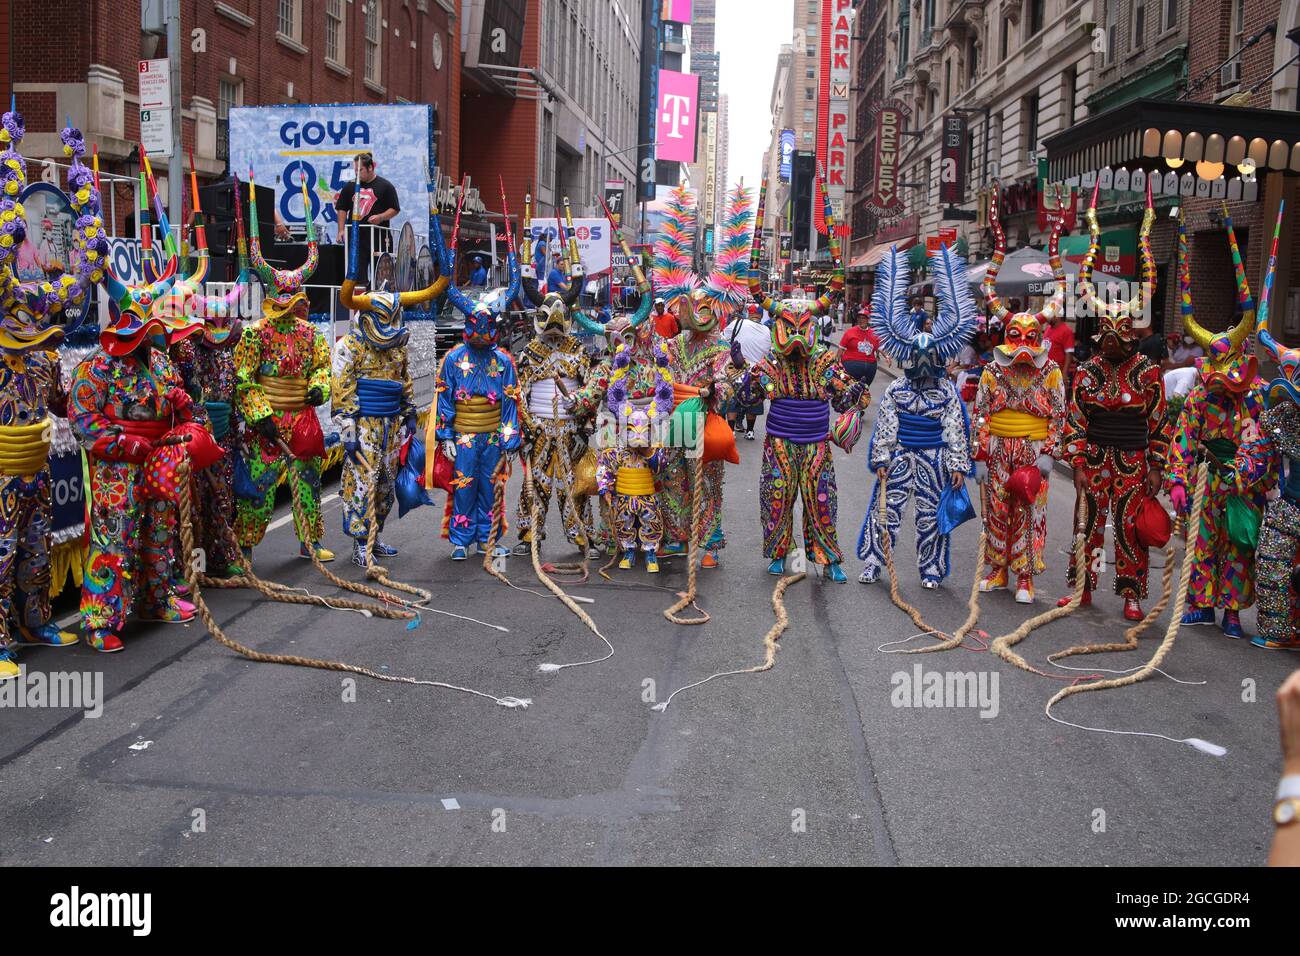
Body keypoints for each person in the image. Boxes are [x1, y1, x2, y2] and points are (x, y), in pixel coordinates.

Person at [72, 157, 199, 653]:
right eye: (142, 331)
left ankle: (157, 596)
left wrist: (183, 413)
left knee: (160, 528)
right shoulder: (97, 369)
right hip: (116, 466)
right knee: (115, 537)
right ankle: (102, 618)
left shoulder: (162, 364)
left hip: (157, 459)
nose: (150, 339)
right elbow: (84, 419)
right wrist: (121, 443)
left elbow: (174, 407)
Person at [0, 115, 104, 675]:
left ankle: (36, 618)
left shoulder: (40, 354)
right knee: (1, 551)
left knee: (36, 549)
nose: (35, 324)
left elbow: (62, 403)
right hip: (2, 470)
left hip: (37, 466)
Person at [740, 175, 868, 583]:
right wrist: (727, 384)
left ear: (813, 327)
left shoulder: (824, 363)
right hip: (779, 442)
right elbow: (744, 392)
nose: (796, 334)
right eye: (787, 326)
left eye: (803, 326)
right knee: (777, 498)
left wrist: (856, 395)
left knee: (821, 499)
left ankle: (827, 558)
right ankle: (780, 553)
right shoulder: (771, 366)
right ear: (778, 327)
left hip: (815, 443)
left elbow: (846, 394)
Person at [1057, 181, 1165, 621]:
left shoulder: (1148, 372)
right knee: (1085, 525)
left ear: (1133, 331)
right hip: (1097, 455)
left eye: (1123, 329)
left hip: (1134, 459)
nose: (1114, 337)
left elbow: (1159, 423)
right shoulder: (1087, 371)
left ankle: (1131, 595)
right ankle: (1082, 587)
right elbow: (1075, 420)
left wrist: (1158, 466)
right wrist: (1078, 462)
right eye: (1107, 329)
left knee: (1129, 529)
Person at [1165, 211, 1273, 640]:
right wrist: (1177, 478)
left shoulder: (1259, 396)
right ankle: (1202, 604)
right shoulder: (1199, 397)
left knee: (1238, 546)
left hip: (1243, 481)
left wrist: (1260, 476)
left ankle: (1232, 611)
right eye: (1215, 362)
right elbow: (1185, 437)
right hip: (1207, 478)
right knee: (1203, 541)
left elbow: (1269, 439)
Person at [334, 208, 448, 568]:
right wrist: (348, 428)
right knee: (361, 482)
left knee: (385, 485)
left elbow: (403, 379)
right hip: (364, 422)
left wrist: (409, 411)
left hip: (390, 425)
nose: (390, 326)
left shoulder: (397, 345)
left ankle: (376, 536)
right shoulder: (349, 346)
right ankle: (358, 543)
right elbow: (342, 387)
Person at [970, 190, 1068, 604]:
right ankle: (997, 571)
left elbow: (1060, 414)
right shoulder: (993, 369)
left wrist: (1049, 452)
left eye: (1031, 337)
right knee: (996, 509)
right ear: (1006, 337)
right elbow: (981, 411)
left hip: (1031, 449)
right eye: (1016, 336)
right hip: (998, 448)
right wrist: (980, 450)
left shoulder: (1050, 371)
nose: (1024, 344)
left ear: (1040, 337)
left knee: (1030, 512)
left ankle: (1026, 576)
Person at [858, 245, 973, 588]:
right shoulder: (897, 390)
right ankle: (874, 562)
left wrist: (956, 465)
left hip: (935, 458)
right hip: (900, 456)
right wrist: (881, 458)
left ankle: (932, 569)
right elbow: (886, 427)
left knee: (931, 517)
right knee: (885, 512)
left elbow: (955, 429)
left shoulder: (946, 391)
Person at [234, 176, 334, 563]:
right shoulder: (256, 335)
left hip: (303, 417)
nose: (292, 311)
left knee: (307, 482)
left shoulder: (310, 334)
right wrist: (261, 416)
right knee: (258, 484)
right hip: (269, 420)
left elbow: (323, 366)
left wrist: (318, 389)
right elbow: (243, 379)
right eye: (285, 304)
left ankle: (309, 541)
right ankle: (244, 547)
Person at [654, 183, 750, 568]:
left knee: (706, 481)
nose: (695, 314)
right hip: (674, 423)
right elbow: (658, 372)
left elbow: (727, 383)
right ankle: (677, 538)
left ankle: (707, 541)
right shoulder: (674, 345)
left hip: (704, 421)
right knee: (672, 478)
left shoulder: (720, 347)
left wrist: (713, 390)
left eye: (703, 307)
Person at [433, 215, 522, 561]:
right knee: (465, 486)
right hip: (466, 436)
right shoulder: (453, 359)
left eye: (489, 325)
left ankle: (489, 537)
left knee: (492, 487)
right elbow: (443, 397)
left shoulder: (503, 360)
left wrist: (510, 439)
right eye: (477, 324)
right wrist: (446, 437)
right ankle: (461, 539)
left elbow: (511, 403)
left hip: (493, 436)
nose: (483, 330)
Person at [513, 209, 597, 558]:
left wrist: (586, 418)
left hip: (571, 429)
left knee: (573, 484)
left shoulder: (578, 349)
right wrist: (526, 427)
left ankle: (583, 538)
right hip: (539, 429)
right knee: (536, 484)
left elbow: (590, 387)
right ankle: (528, 535)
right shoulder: (530, 352)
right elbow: (520, 393)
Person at [1233, 205, 1296, 650]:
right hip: (1288, 505)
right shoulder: (1278, 418)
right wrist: (1239, 471)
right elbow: (1258, 451)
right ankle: (1277, 631)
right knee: (1272, 560)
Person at [334, 151, 399, 289]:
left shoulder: (385, 186)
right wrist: (341, 230)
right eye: (355, 170)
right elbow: (342, 208)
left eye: (360, 170)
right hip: (357, 237)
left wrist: (381, 217)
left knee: (381, 275)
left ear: (371, 168)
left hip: (379, 237)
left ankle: (379, 304)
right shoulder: (350, 187)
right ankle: (359, 306)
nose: (357, 173)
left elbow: (395, 208)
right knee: (357, 276)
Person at [838, 304, 881, 386]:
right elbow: (841, 348)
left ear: (868, 320)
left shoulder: (874, 333)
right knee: (850, 389)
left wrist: (886, 356)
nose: (861, 320)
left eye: (863, 318)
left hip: (870, 367)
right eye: (859, 318)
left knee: (864, 390)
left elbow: (880, 347)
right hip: (851, 365)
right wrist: (837, 363)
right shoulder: (850, 332)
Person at [1043, 309, 1075, 380]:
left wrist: (1064, 374)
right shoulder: (1048, 328)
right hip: (1045, 371)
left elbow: (1069, 354)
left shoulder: (1066, 331)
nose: (1047, 317)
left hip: (1057, 373)